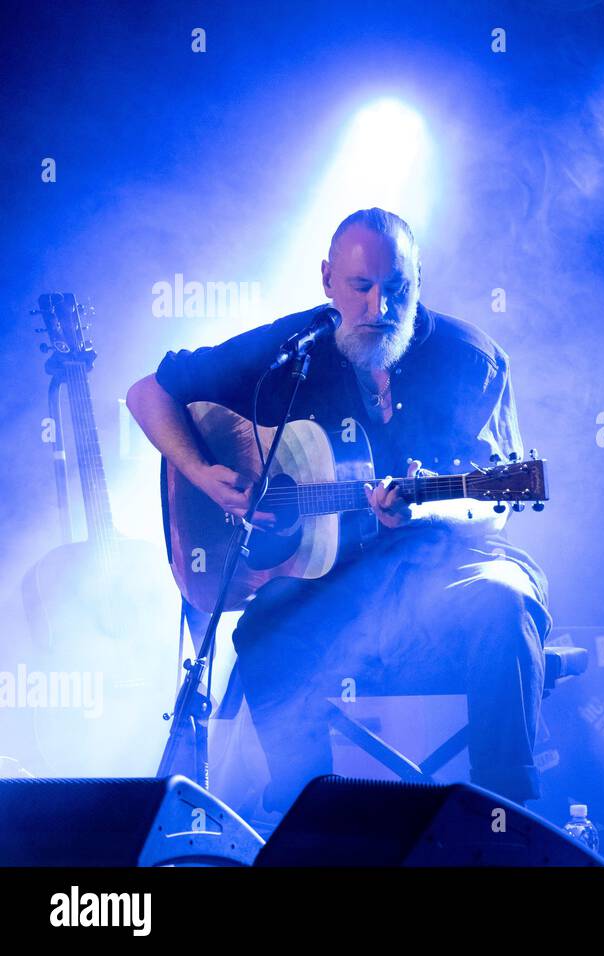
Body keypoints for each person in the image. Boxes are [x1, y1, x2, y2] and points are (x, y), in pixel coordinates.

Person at [127, 207, 549, 814]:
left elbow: (493, 509)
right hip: (332, 581)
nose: (379, 308)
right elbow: (150, 392)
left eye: (397, 289)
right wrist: (201, 473)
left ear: (419, 281)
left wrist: (424, 512)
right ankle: (311, 827)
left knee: (503, 599)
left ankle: (507, 821)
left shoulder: (470, 360)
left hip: (445, 569)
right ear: (328, 280)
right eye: (361, 287)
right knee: (267, 633)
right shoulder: (292, 350)